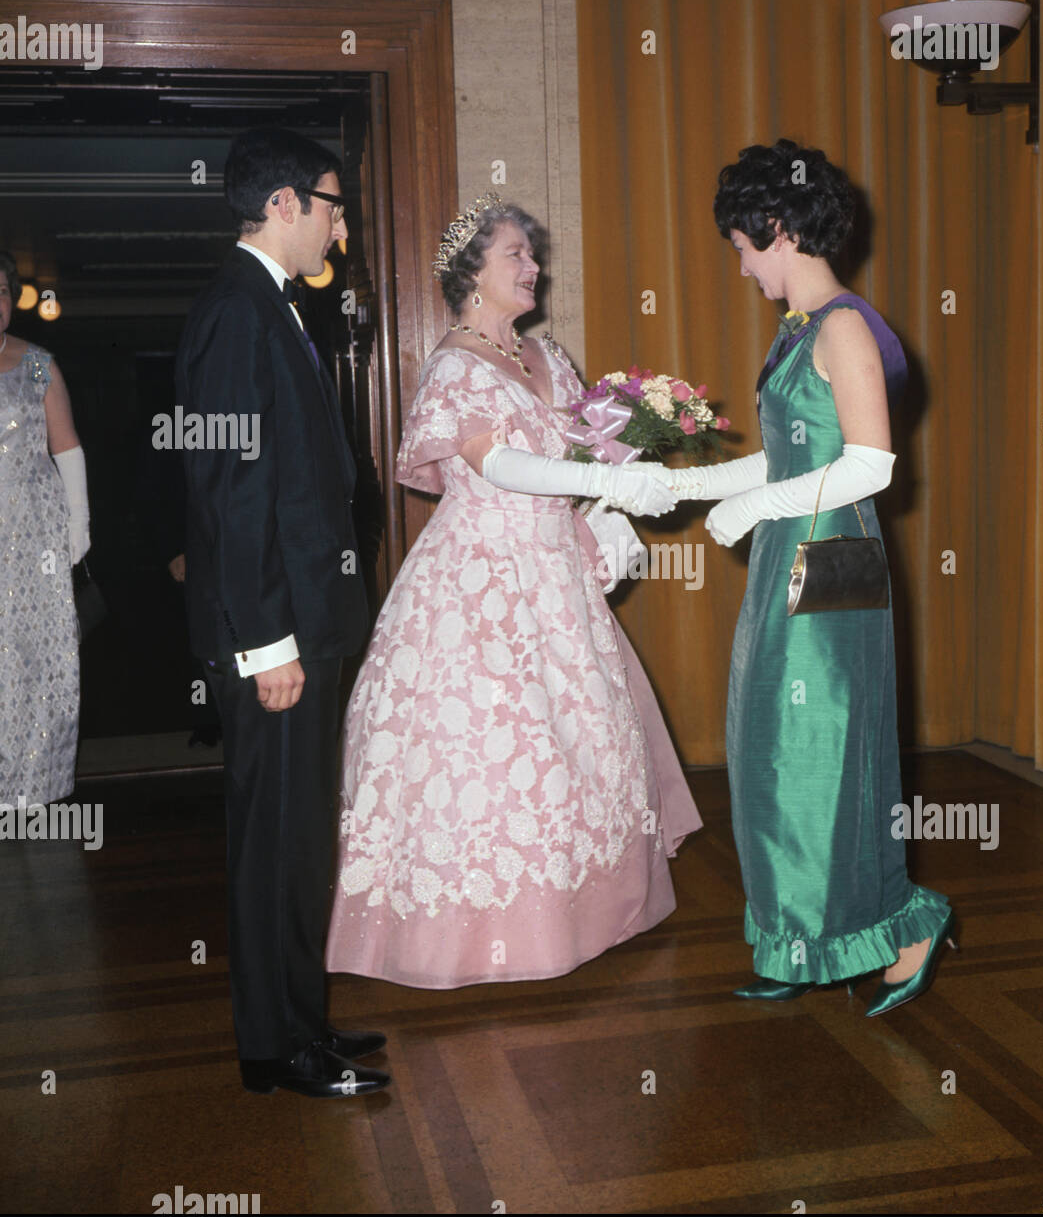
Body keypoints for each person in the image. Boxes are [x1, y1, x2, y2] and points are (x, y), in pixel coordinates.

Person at [326, 194, 701, 989]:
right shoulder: (453, 368)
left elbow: (590, 446)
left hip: (557, 577)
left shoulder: (550, 358)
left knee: (585, 741)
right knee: (498, 744)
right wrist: (600, 475)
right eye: (515, 256)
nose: (534, 268)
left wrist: (631, 459)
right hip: (479, 583)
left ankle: (587, 911)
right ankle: (480, 932)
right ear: (471, 275)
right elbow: (499, 467)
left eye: (533, 255)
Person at [648, 140, 955, 1014]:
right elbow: (785, 458)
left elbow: (872, 464)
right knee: (772, 753)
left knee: (822, 757)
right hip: (795, 551)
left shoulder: (846, 326)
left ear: (775, 227)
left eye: (743, 247)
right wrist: (685, 485)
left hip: (832, 565)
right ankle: (804, 939)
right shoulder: (801, 330)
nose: (742, 267)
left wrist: (751, 512)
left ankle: (903, 924)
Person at [176, 128, 388, 1097]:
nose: (341, 222)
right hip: (277, 639)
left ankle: (301, 1024)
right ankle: (277, 1045)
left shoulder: (275, 307)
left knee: (300, 839)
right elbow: (232, 490)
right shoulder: (238, 311)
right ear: (285, 204)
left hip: (301, 624)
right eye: (333, 204)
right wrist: (268, 642)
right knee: (276, 846)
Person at [0, 250, 87, 805]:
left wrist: (79, 526)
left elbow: (68, 448)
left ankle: (28, 796)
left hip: (33, 542)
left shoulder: (37, 364)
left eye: (2, 291)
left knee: (34, 666)